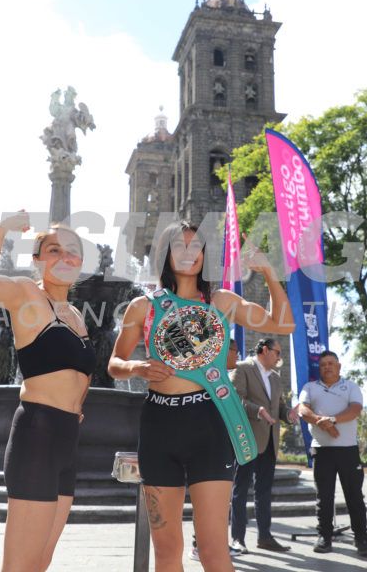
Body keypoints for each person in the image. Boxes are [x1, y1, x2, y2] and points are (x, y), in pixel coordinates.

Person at [109, 221, 295, 572]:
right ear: (165, 254)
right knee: (166, 551)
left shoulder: (220, 301)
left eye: (196, 246)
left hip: (209, 424)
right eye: (180, 246)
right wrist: (137, 368)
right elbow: (114, 364)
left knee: (212, 551)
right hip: (159, 425)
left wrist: (270, 272)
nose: (189, 253)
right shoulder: (143, 306)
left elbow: (282, 324)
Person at [0, 214, 95, 572]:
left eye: (72, 251)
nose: (64, 257)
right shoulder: (26, 294)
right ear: (37, 259)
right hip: (38, 434)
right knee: (20, 566)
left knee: (40, 563)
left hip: (67, 438)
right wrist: (3, 229)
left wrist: (77, 404)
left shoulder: (75, 315)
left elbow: (80, 373)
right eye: (54, 250)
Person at [296, 350, 367, 557]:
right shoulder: (310, 387)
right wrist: (323, 423)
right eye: (323, 365)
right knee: (324, 496)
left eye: (331, 363)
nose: (327, 367)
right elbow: (303, 410)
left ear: (339, 366)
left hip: (348, 450)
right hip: (322, 451)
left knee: (354, 495)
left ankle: (362, 539)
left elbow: (355, 410)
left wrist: (332, 420)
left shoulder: (351, 387)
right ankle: (324, 537)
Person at [228, 338, 293, 553]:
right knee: (240, 489)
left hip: (270, 441)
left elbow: (280, 407)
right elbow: (235, 400)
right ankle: (238, 538)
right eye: (277, 352)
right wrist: (258, 410)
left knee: (264, 491)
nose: (279, 357)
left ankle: (265, 537)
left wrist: (289, 415)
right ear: (264, 350)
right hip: (246, 440)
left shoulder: (275, 377)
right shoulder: (242, 368)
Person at [190, 339, 243, 562]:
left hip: (224, 445)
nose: (238, 356)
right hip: (209, 446)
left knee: (220, 503)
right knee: (206, 500)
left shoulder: (225, 377)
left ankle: (216, 544)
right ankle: (199, 545)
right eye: (235, 351)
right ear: (223, 351)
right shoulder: (208, 377)